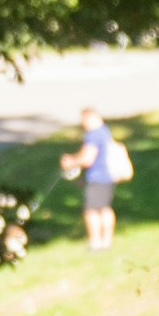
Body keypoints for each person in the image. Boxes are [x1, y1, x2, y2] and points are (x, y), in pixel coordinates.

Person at [59, 104, 124, 248]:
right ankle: (106, 241)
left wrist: (70, 161)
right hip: (108, 177)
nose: (82, 125)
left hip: (97, 177)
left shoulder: (93, 135)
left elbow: (87, 158)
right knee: (105, 208)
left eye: (83, 121)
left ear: (90, 118)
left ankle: (96, 243)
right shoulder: (104, 131)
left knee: (91, 211)